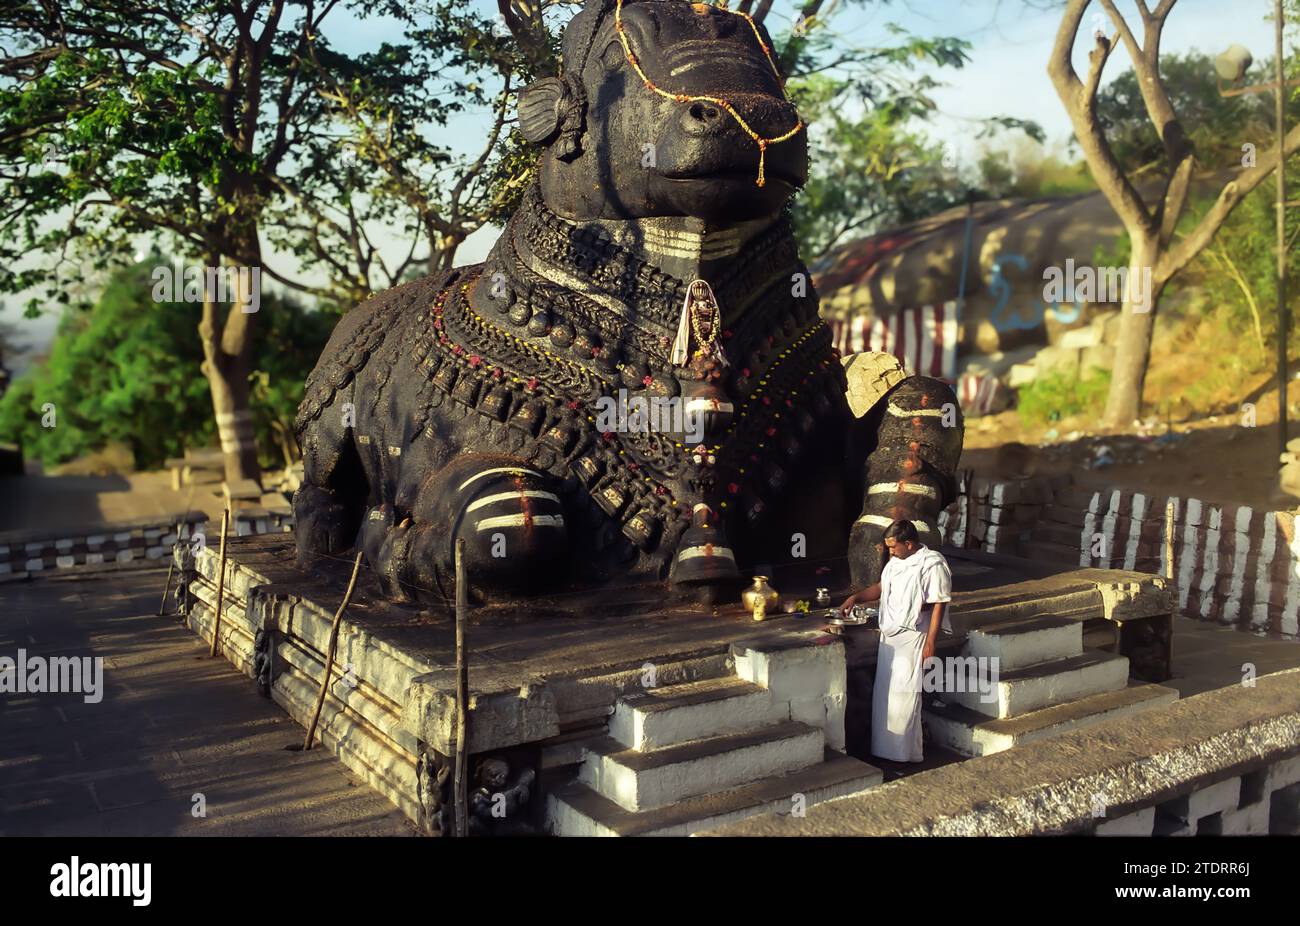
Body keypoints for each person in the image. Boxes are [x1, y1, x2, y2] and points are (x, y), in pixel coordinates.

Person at [839, 518, 952, 763]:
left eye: (893, 546)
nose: (889, 551)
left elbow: (939, 603)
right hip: (890, 635)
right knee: (886, 695)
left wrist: (931, 642)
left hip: (914, 635)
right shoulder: (895, 562)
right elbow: (881, 587)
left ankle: (903, 755)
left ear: (909, 544)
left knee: (906, 695)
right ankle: (897, 752)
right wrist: (856, 597)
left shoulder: (931, 564)